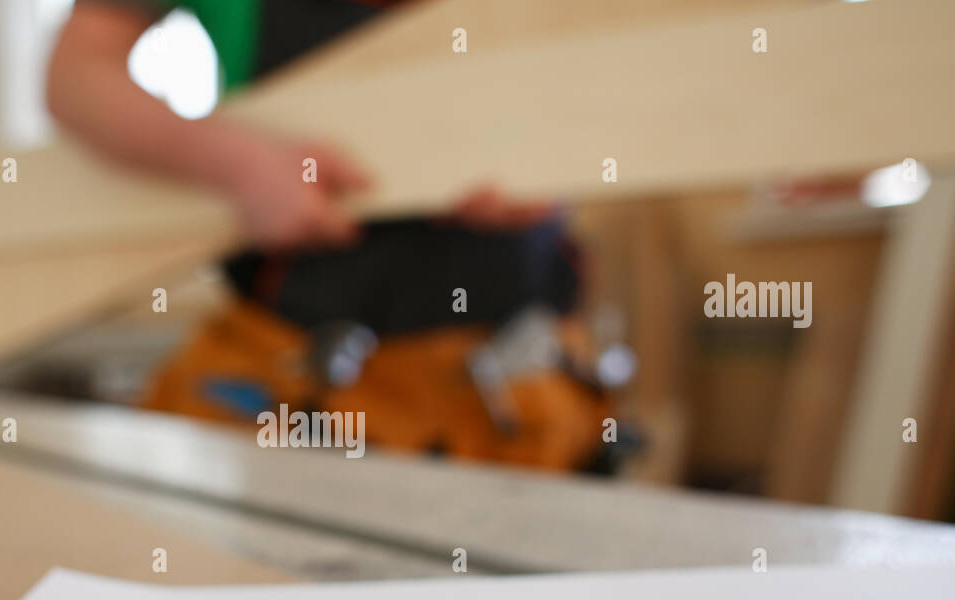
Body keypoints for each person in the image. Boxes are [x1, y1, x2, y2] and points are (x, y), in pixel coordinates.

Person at [47, 0, 611, 468]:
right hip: (292, 384)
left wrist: (548, 154)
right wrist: (239, 163)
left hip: (515, 393)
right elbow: (77, 74)